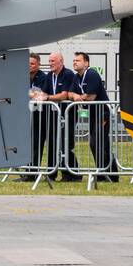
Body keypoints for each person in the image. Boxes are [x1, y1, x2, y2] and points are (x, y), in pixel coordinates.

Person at [71, 51, 117, 181]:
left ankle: (104, 173)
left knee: (96, 143)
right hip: (92, 114)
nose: (74, 62)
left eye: (78, 60)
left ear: (86, 63)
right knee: (102, 143)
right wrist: (75, 96)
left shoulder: (91, 74)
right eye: (74, 60)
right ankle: (111, 174)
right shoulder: (76, 77)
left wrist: (79, 97)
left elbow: (91, 96)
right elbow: (70, 93)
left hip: (102, 113)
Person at [41, 51, 78, 180]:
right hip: (52, 115)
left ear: (61, 61)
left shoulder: (68, 74)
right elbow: (44, 92)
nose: (50, 64)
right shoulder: (49, 75)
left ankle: (71, 174)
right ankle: (51, 174)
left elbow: (65, 95)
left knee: (65, 144)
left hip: (67, 115)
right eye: (49, 61)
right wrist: (38, 96)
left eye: (53, 61)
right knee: (51, 143)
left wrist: (47, 98)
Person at [28, 53, 49, 171]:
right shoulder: (23, 76)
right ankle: (28, 170)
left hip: (41, 116)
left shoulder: (43, 77)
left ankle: (33, 171)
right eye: (28, 63)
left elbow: (40, 95)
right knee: (29, 144)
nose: (29, 66)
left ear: (38, 65)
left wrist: (27, 93)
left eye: (32, 63)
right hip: (28, 115)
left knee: (36, 144)